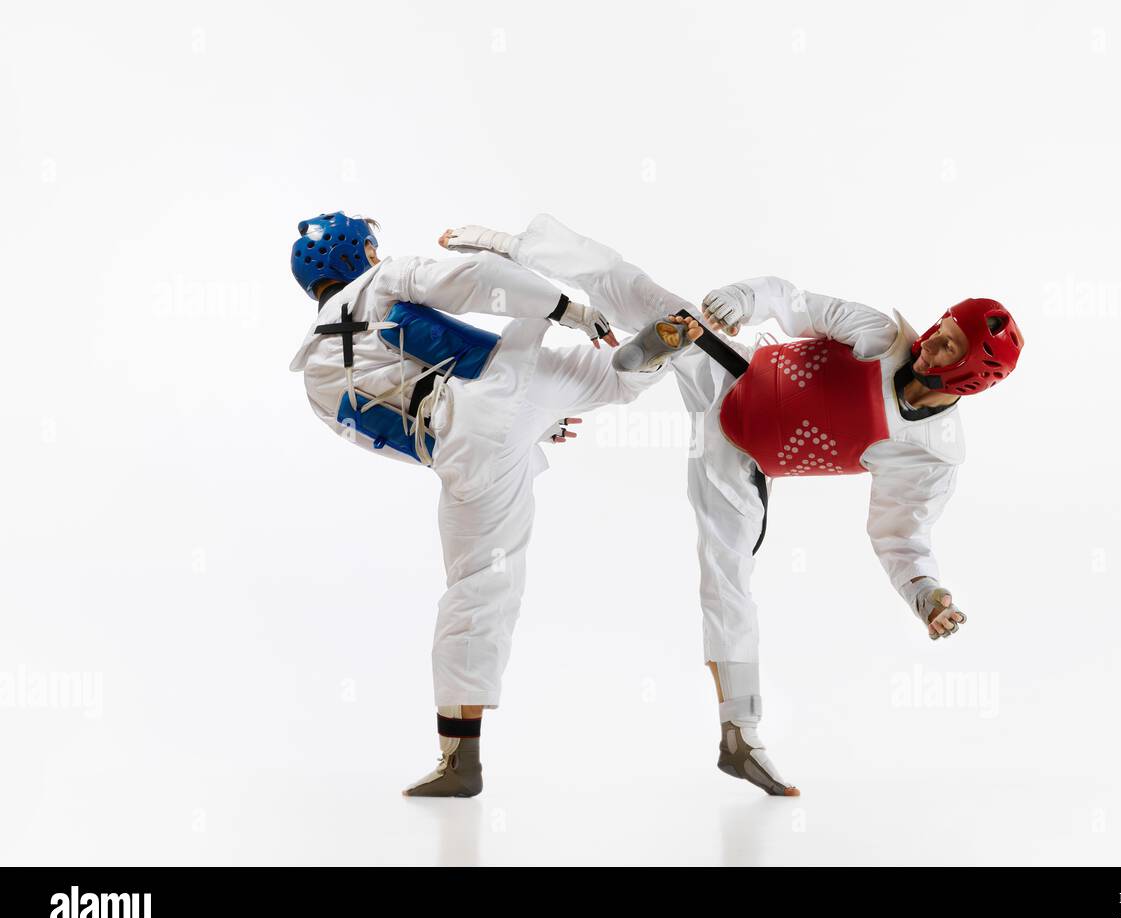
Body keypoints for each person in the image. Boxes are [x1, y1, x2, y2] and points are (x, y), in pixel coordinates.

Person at [443, 216, 1024, 797]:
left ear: (974, 375)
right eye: (941, 328)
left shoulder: (929, 454)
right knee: (636, 288)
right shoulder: (882, 336)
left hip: (739, 465)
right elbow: (792, 301)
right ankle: (523, 253)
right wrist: (744, 297)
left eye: (950, 346)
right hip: (730, 370)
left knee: (728, 584)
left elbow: (902, 535)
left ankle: (739, 737)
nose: (932, 342)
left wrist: (928, 596)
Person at [288, 211, 668, 797]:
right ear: (354, 255)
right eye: (367, 247)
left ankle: (460, 760)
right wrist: (567, 309)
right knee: (606, 380)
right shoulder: (384, 279)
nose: (373, 253)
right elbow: (475, 277)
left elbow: (394, 438)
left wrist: (497, 436)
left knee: (475, 588)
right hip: (512, 379)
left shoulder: (314, 379)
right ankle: (651, 354)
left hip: (467, 455)